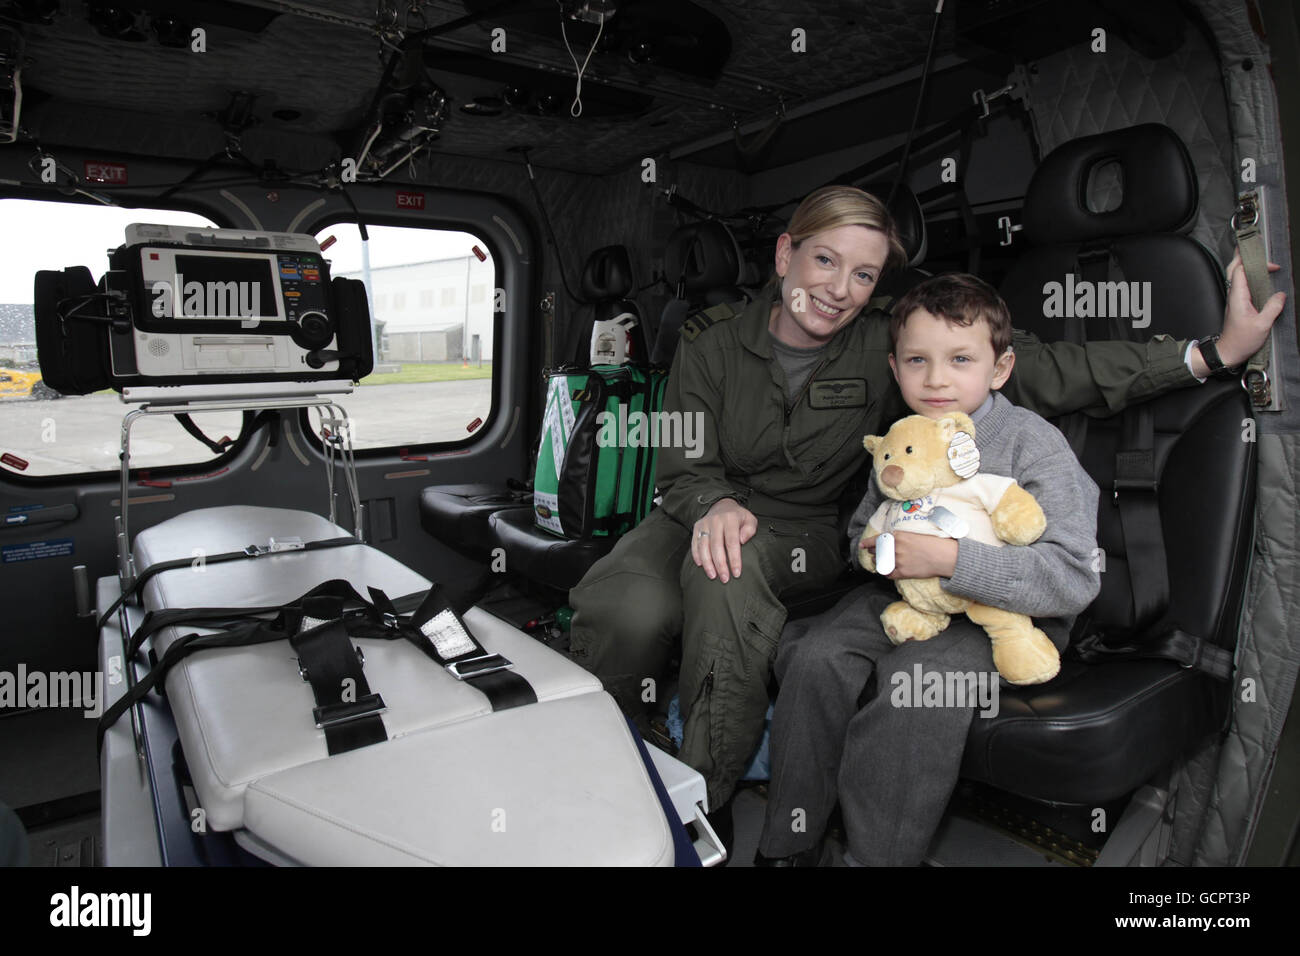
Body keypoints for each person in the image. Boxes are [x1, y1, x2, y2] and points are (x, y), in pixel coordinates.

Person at [566, 184, 1286, 830]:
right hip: (700, 508)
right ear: (786, 254)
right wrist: (713, 500)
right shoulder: (708, 340)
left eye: (863, 275)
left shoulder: (894, 338)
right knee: (621, 606)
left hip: (801, 531)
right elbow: (683, 454)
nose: (838, 289)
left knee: (725, 579)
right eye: (823, 260)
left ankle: (703, 802)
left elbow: (1048, 370)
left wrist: (1211, 353)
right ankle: (604, 757)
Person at [755, 273, 1100, 866]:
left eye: (960, 359)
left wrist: (952, 560)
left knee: (916, 689)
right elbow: (863, 530)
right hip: (907, 596)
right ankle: (791, 841)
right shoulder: (900, 437)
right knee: (812, 656)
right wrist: (874, 550)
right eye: (918, 360)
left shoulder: (1032, 444)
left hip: (1004, 614)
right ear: (895, 368)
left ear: (999, 369)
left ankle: (876, 856)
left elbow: (1072, 577)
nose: (936, 378)